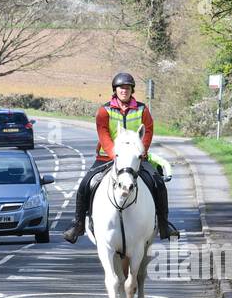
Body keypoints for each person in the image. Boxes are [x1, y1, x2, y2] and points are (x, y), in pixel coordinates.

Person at [63, 72, 178, 243]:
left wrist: (141, 151)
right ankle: (78, 224)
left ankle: (163, 224)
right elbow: (103, 134)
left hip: (136, 159)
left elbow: (148, 131)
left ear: (132, 90)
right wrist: (114, 154)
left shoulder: (142, 110)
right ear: (115, 90)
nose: (124, 90)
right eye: (121, 88)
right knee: (86, 183)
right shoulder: (104, 111)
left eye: (127, 88)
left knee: (158, 183)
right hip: (107, 158)